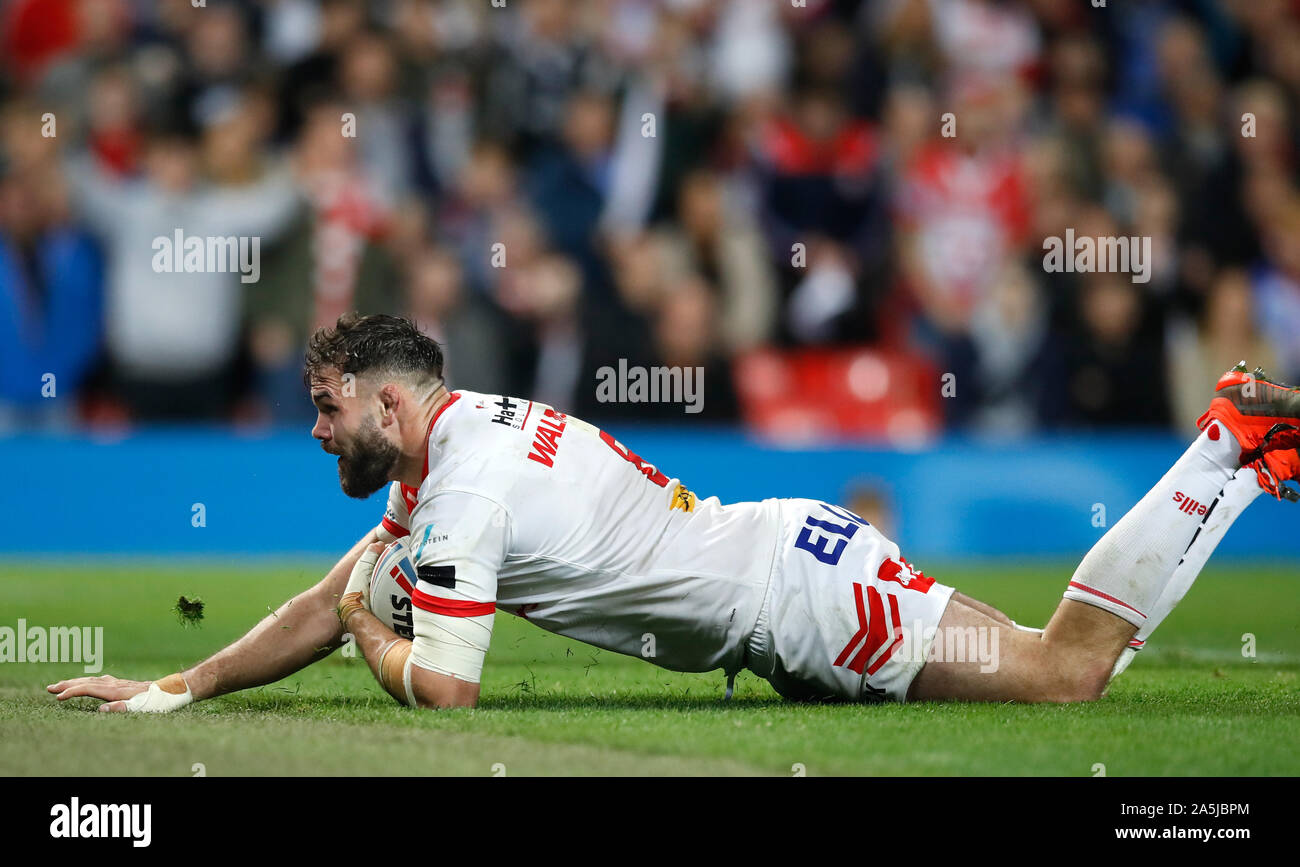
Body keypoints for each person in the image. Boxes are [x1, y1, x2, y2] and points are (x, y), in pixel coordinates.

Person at [48, 314, 1299, 711]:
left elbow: (443, 695)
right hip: (778, 575)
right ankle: (1237, 447)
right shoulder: (459, 435)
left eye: (325, 408)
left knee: (1062, 677)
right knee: (1039, 672)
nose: (313, 430)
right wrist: (173, 693)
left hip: (798, 597)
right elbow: (328, 598)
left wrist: (386, 637)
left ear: (386, 403)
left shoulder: (466, 489)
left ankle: (1228, 445)